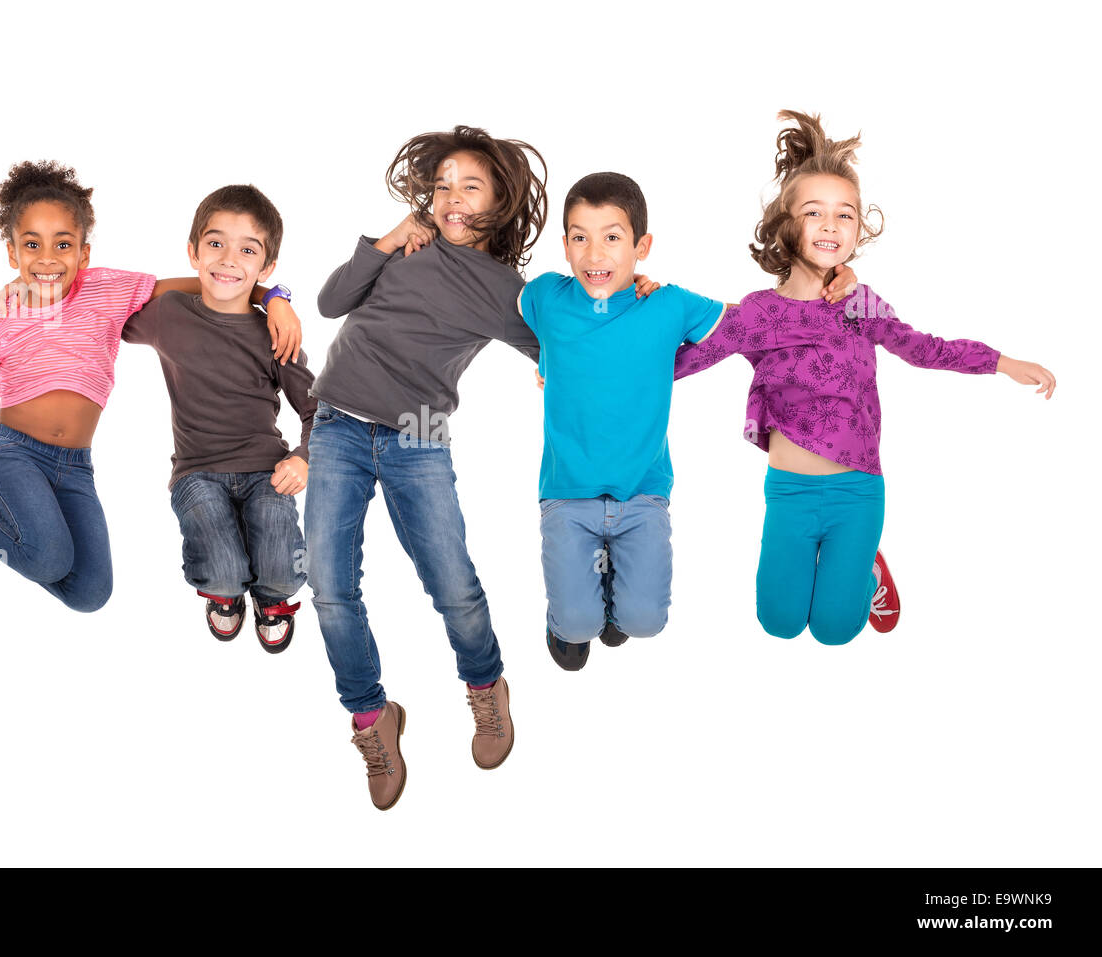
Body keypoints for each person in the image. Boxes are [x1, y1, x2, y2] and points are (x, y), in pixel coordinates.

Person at [674, 111, 1056, 644]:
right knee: (779, 623)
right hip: (789, 492)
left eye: (845, 215)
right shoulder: (757, 313)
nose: (830, 225)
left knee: (834, 630)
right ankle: (844, 570)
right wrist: (582, 376)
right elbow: (681, 364)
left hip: (857, 490)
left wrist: (1001, 362)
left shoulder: (861, 303)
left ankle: (867, 570)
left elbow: (924, 349)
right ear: (786, 222)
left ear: (858, 229)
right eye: (814, 212)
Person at [0, 161, 300, 613]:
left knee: (89, 593)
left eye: (63, 244)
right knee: (47, 559)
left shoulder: (107, 290)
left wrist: (275, 298)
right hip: (14, 455)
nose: (47, 258)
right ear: (12, 253)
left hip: (75, 466)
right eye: (31, 244)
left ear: (84, 253)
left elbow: (217, 284)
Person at [523, 172, 856, 671]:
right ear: (565, 245)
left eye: (612, 238)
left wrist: (832, 277)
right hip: (568, 494)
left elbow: (756, 321)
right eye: (580, 238)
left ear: (642, 246)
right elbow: (513, 315)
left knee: (643, 623)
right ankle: (569, 620)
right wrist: (548, 362)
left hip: (643, 494)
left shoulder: (668, 304)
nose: (595, 255)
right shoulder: (544, 295)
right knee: (577, 625)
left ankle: (614, 590)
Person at [307, 125, 547, 809]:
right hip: (337, 427)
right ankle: (370, 715)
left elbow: (556, 348)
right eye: (442, 185)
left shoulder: (506, 291)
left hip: (417, 439)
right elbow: (331, 302)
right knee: (329, 587)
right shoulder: (406, 246)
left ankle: (485, 684)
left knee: (452, 581)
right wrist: (386, 240)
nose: (451, 197)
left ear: (500, 201)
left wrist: (559, 368)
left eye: (470, 186)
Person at [123, 185, 314, 652]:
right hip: (196, 472)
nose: (229, 259)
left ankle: (271, 598)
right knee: (225, 573)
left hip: (264, 470)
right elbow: (113, 308)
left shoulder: (275, 333)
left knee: (283, 574)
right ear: (192, 252)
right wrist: (273, 294)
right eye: (215, 244)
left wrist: (304, 457)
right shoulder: (168, 315)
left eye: (247, 251)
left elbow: (317, 411)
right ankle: (225, 595)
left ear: (266, 265)